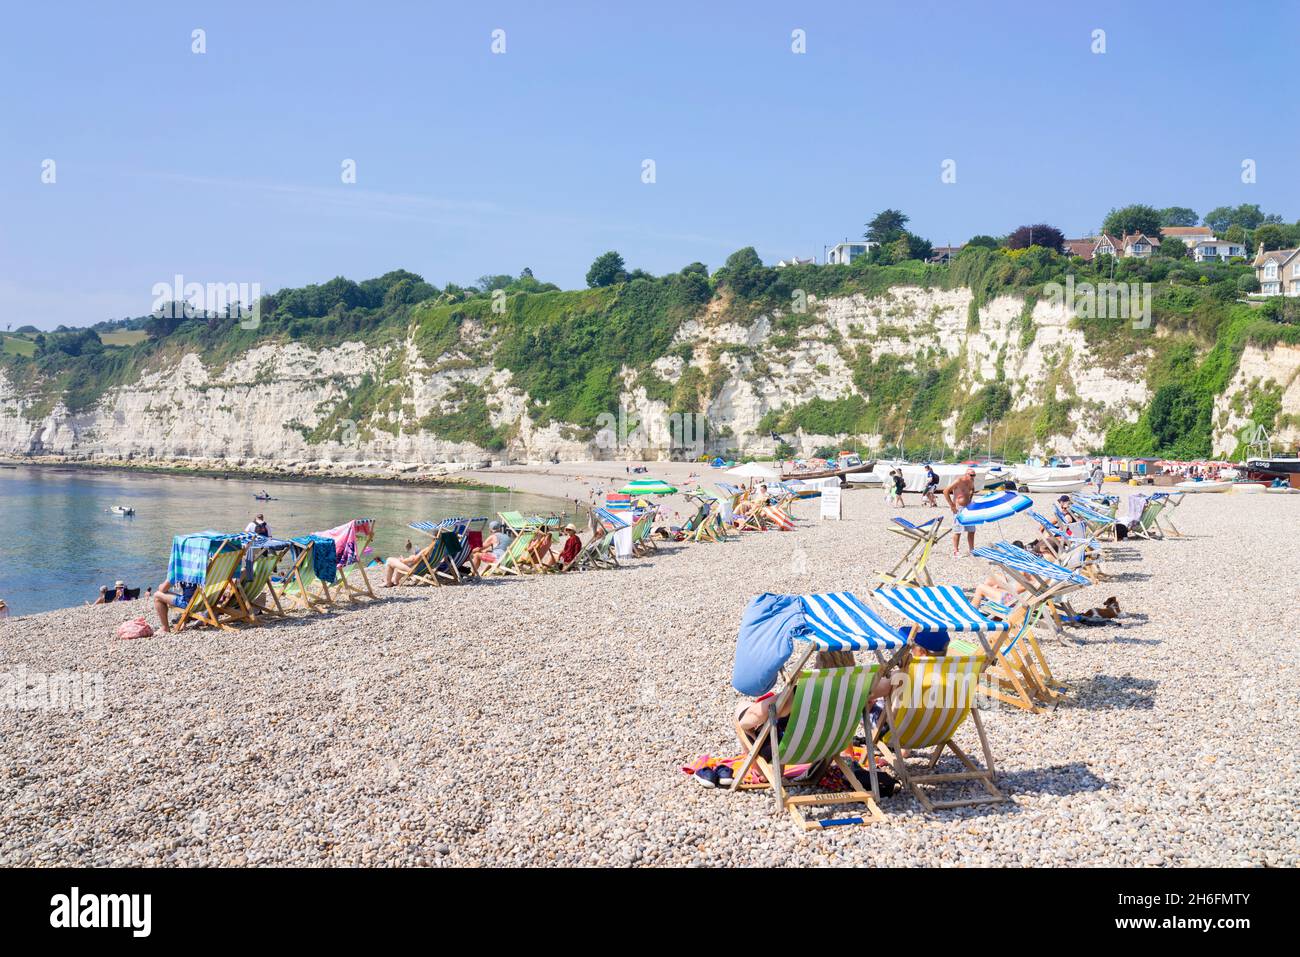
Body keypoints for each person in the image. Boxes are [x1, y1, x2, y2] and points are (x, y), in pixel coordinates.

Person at [943, 467, 978, 556]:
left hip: (969, 508)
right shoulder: (959, 481)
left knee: (971, 530)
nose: (973, 477)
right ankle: (956, 550)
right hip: (959, 508)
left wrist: (970, 499)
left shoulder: (972, 481)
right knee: (958, 530)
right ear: (966, 474)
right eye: (971, 475)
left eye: (974, 475)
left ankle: (972, 550)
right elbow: (945, 491)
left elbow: (972, 490)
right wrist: (951, 505)